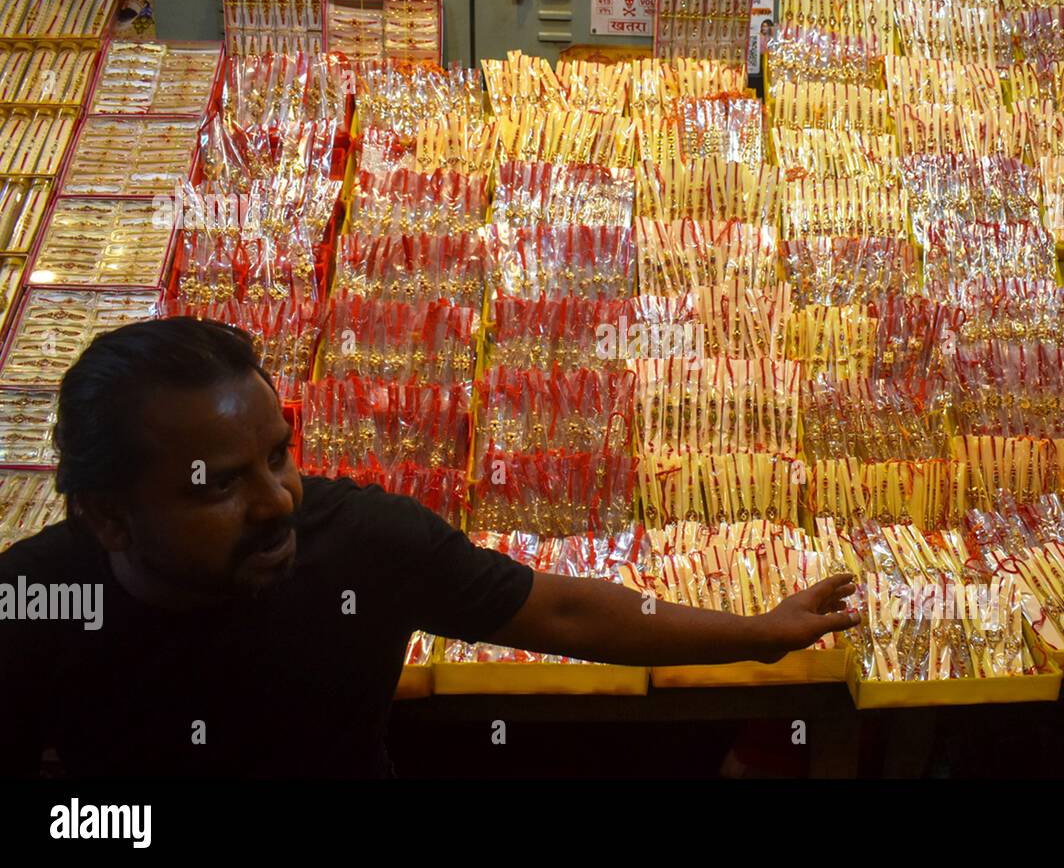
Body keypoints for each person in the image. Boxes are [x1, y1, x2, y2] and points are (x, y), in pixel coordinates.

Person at [0, 317, 857, 776]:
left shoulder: (362, 543)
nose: (278, 502)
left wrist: (758, 632)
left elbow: (560, 607)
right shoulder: (32, 605)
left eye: (278, 457)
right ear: (108, 518)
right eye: (217, 485)